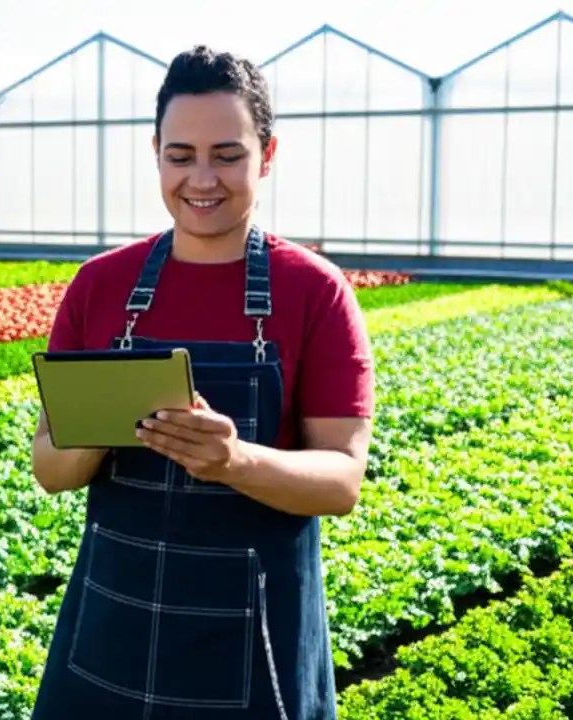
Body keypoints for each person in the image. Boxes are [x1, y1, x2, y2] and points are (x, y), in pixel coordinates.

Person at [28, 45, 375, 720]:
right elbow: (51, 468)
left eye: (228, 154)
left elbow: (342, 481)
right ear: (155, 152)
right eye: (181, 155)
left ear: (267, 155)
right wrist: (106, 425)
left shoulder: (312, 292)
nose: (202, 179)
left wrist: (233, 460)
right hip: (114, 626)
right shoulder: (102, 286)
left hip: (253, 641)